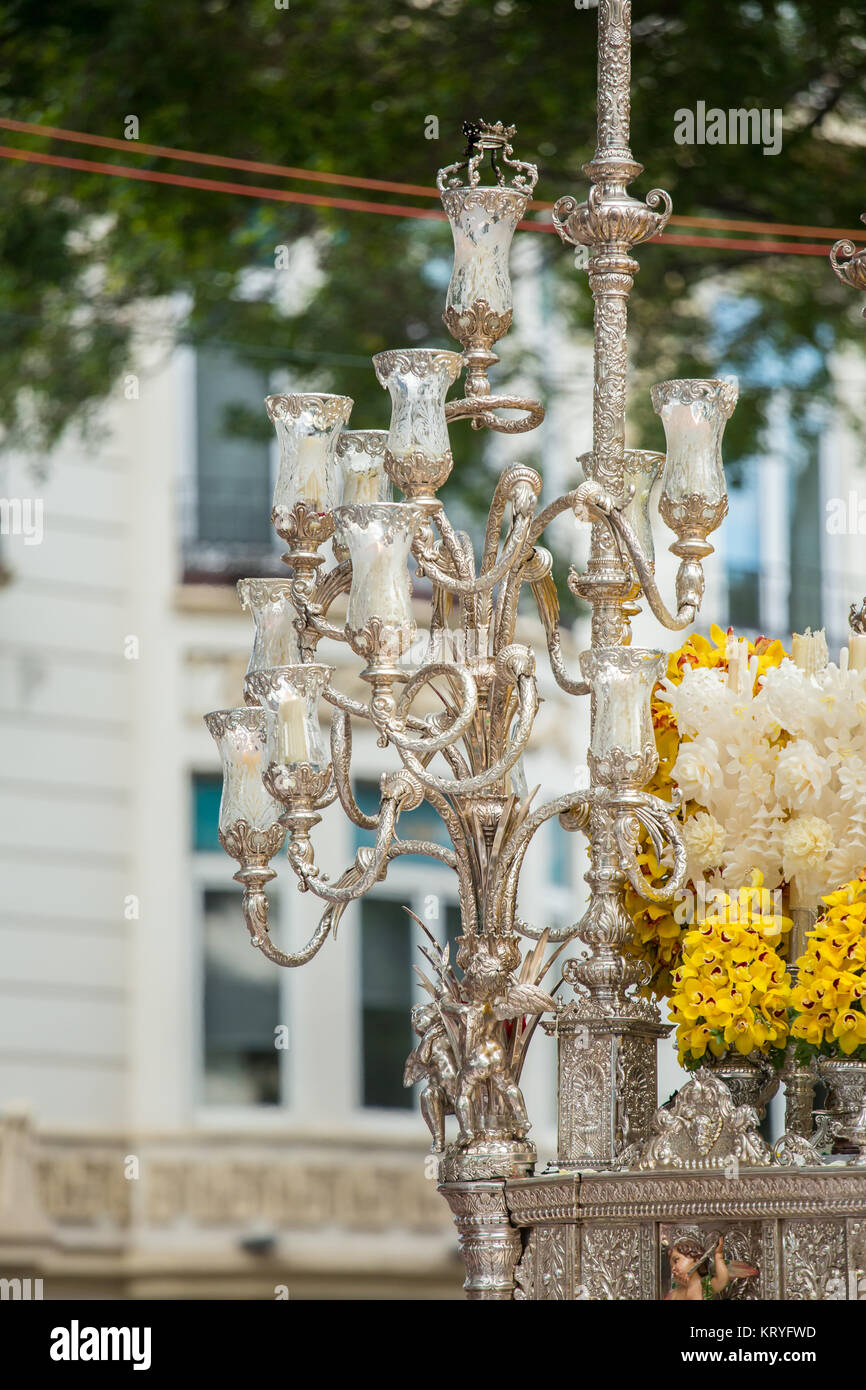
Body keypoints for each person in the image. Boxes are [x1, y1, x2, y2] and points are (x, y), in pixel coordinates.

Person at [666, 1236, 757, 1301]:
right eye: (671, 1266)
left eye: (676, 1260)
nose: (673, 1268)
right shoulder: (675, 1292)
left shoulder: (706, 1285)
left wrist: (718, 1256)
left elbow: (722, 1280)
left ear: (696, 1259)